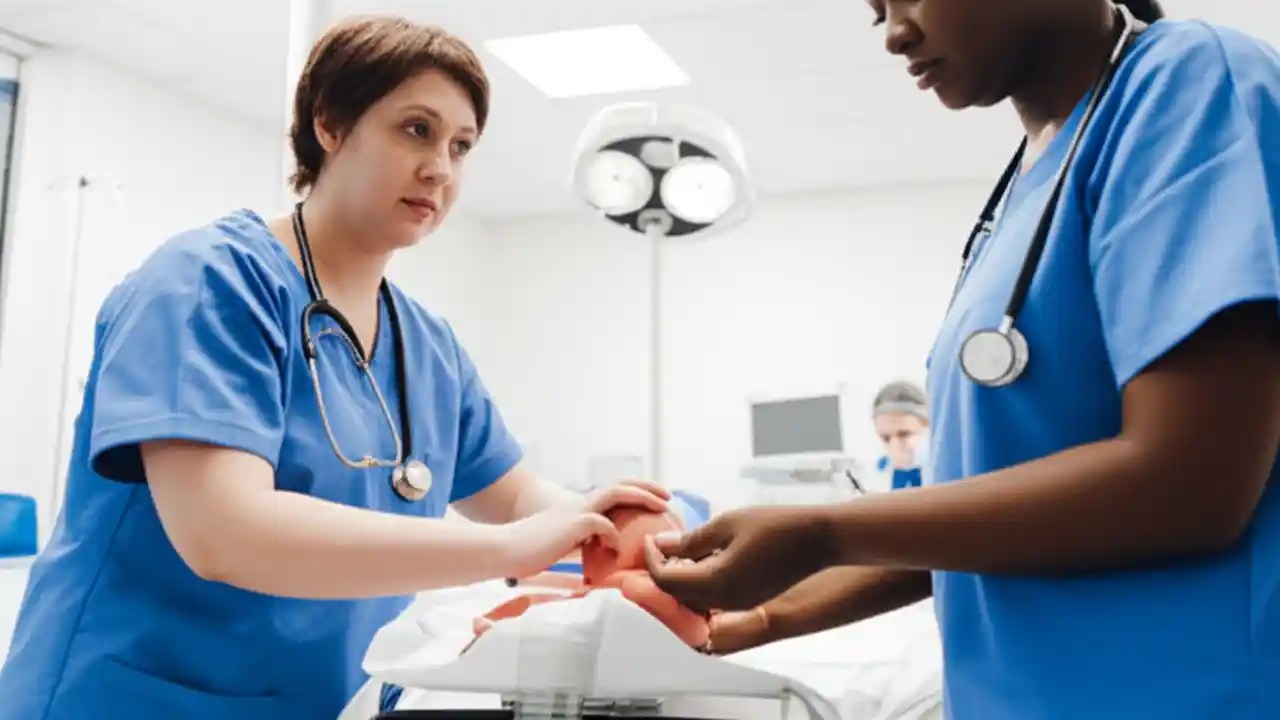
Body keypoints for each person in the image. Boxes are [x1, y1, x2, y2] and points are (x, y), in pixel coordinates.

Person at [0, 17, 670, 720]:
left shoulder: (426, 348)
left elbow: (519, 497)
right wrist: (505, 547)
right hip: (131, 700)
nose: (440, 167)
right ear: (330, 123)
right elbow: (225, 532)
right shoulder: (208, 284)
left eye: (461, 146)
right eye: (416, 129)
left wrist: (626, 524)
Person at [645, 1, 1280, 717]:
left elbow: (1192, 481)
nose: (893, 32)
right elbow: (995, 513)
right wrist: (765, 618)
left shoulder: (1186, 81)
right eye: (878, 9)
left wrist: (824, 532)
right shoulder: (1019, 196)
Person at [870, 381, 930, 491]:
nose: (895, 445)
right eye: (886, 438)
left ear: (928, 426)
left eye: (904, 434)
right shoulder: (879, 476)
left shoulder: (949, 475)